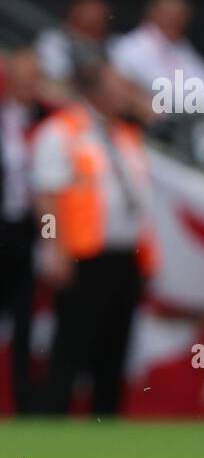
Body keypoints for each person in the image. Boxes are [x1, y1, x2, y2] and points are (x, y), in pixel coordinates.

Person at [31, 63, 156, 415]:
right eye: (119, 87)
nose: (126, 94)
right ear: (95, 90)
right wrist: (53, 246)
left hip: (126, 257)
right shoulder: (62, 132)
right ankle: (51, 425)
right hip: (82, 256)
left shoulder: (125, 134)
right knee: (71, 347)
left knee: (114, 351)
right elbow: (46, 197)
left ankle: (107, 427)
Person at [0, 47, 56, 413]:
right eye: (19, 76)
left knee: (24, 317)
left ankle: (20, 400)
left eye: (32, 77)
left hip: (25, 230)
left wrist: (51, 240)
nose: (25, 84)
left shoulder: (48, 118)